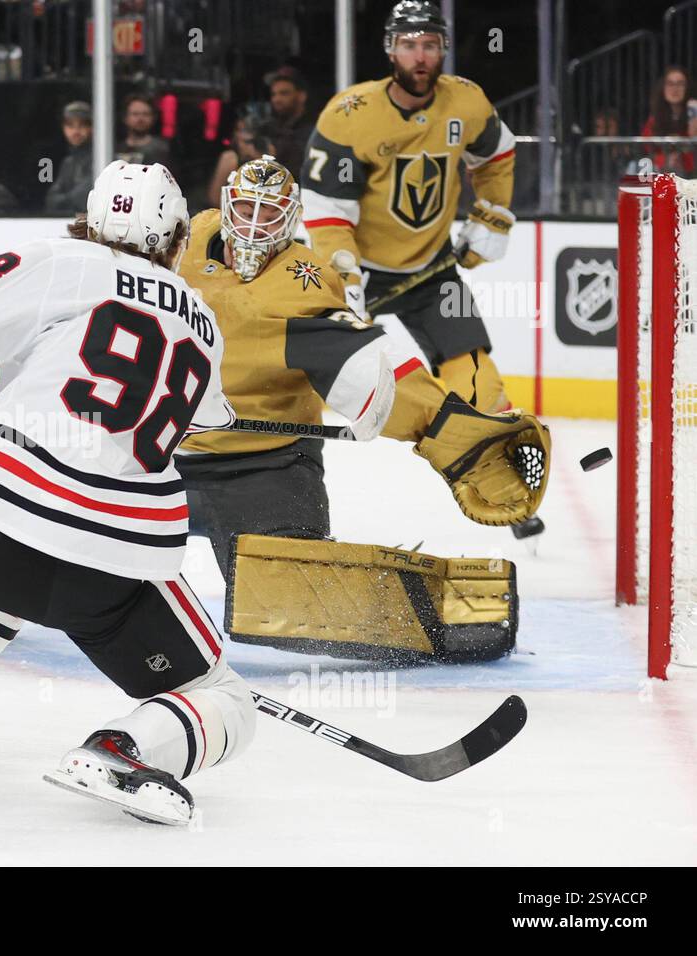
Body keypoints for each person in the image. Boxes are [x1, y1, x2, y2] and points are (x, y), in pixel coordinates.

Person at [0, 161, 255, 826]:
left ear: (92, 220)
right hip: (108, 565)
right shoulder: (204, 324)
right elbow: (202, 420)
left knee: (12, 557)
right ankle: (124, 750)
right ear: (178, 238)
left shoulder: (59, 261)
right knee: (224, 698)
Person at [176, 156, 549, 661]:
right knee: (66, 542)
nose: (255, 224)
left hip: (265, 468)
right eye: (245, 209)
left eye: (270, 214)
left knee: (294, 604)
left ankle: (451, 615)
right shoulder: (188, 241)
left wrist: (455, 437)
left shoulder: (303, 283)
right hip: (155, 461)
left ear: (291, 219)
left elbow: (367, 367)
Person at [303, 1, 516, 418]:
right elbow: (328, 210)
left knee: (483, 392)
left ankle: (493, 469)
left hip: (432, 274)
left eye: (430, 45)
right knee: (296, 385)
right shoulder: (351, 115)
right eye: (408, 44)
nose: (420, 56)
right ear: (390, 50)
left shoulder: (466, 101)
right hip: (360, 273)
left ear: (444, 49)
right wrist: (343, 274)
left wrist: (492, 214)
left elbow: (497, 153)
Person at [204, 109, 267, 208]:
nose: (240, 135)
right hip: (231, 212)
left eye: (246, 130)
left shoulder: (268, 154)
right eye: (238, 130)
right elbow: (214, 199)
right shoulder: (230, 158)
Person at [641, 65, 697, 175]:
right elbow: (647, 146)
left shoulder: (694, 110)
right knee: (636, 168)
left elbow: (693, 142)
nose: (675, 89)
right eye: (670, 84)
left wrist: (694, 114)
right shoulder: (655, 117)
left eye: (680, 84)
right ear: (663, 88)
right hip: (662, 170)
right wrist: (666, 160)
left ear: (687, 87)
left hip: (690, 170)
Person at [259, 66, 313, 177]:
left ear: (301, 96)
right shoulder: (269, 127)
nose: (276, 99)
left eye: (284, 93)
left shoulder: (313, 130)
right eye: (273, 94)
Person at [43, 100, 93, 214]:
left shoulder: (102, 158)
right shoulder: (68, 162)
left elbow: (84, 198)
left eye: (82, 125)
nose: (76, 131)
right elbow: (51, 200)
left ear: (92, 128)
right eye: (70, 125)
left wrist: (65, 200)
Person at [116, 93, 172, 168]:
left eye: (145, 114)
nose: (140, 119)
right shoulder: (114, 148)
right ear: (125, 118)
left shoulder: (163, 150)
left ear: (153, 118)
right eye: (135, 114)